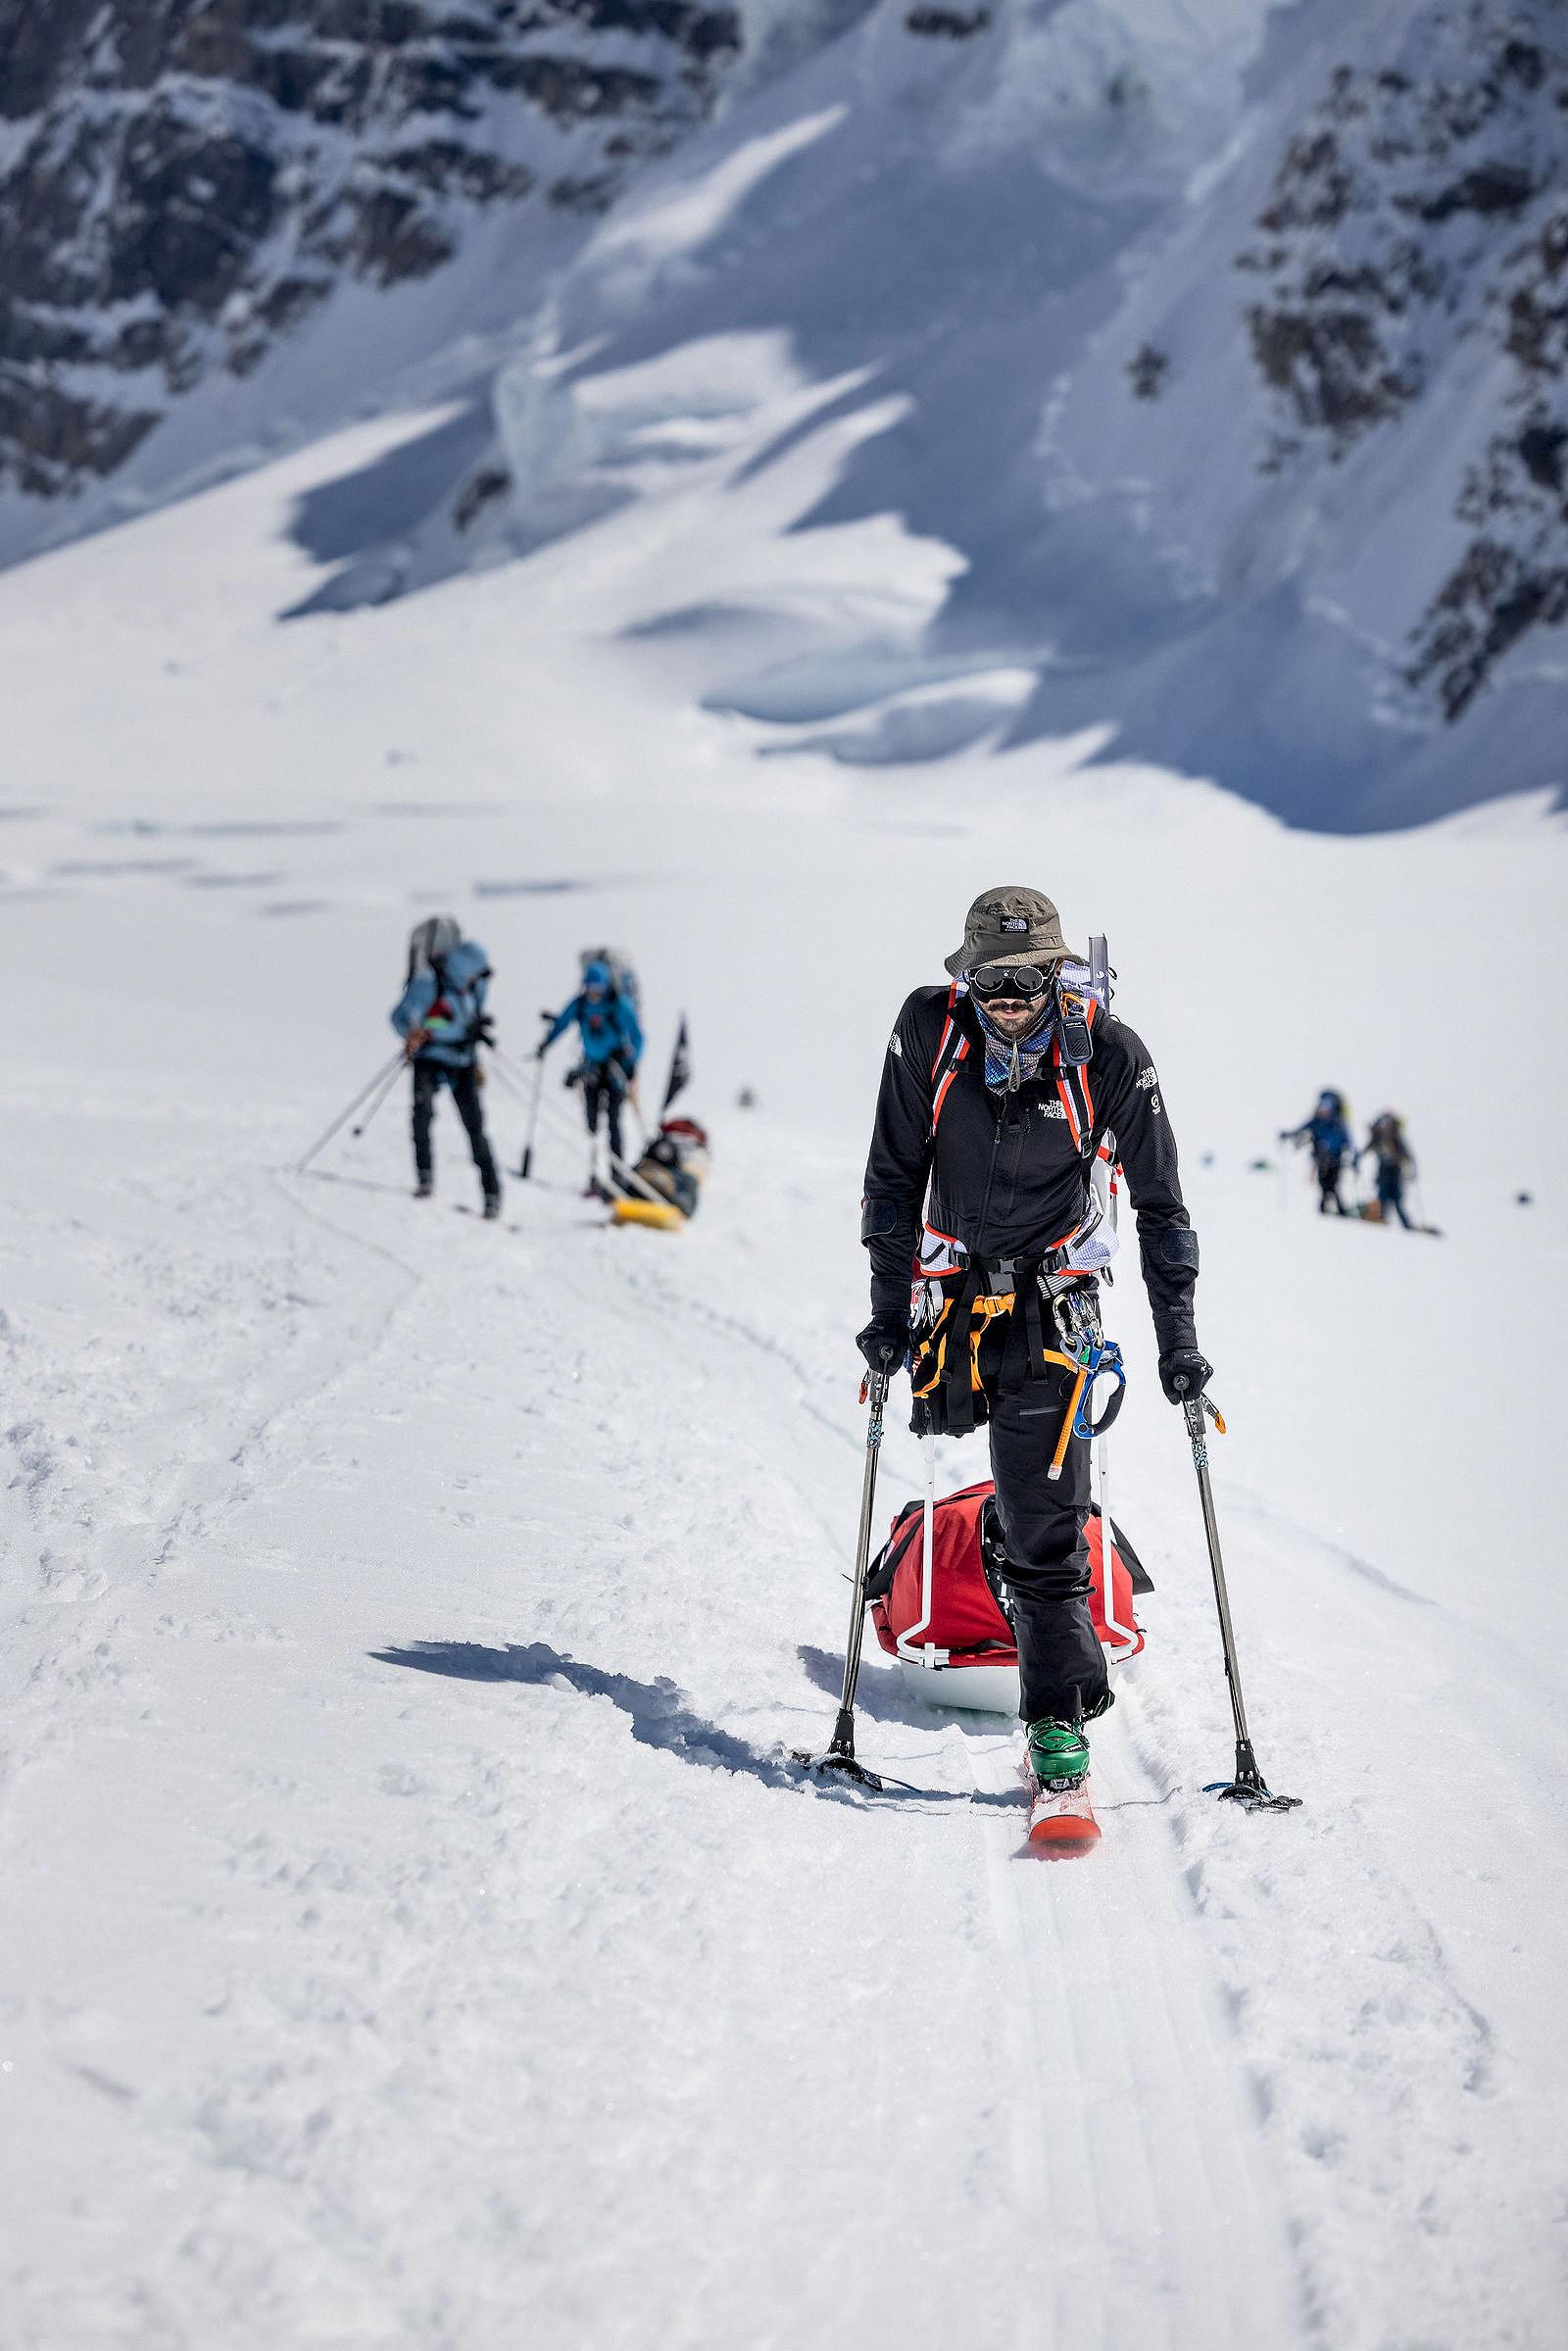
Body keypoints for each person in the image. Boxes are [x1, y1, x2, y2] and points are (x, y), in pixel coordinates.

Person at [858, 886, 1209, 1793]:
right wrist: (886, 1313)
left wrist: (1180, 1342)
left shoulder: (1110, 1056)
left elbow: (1165, 1209)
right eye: (988, 979)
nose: (1007, 999)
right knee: (1007, 1497)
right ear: (965, 977)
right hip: (953, 1297)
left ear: (1059, 972)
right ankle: (1020, 1599)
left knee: (1048, 1526)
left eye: (1025, 978)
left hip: (1055, 1303)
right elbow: (892, 1178)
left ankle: (1057, 1724)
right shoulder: (930, 1032)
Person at [390, 914, 501, 1217]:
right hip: (429, 1058)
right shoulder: (427, 984)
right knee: (422, 1116)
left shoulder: (474, 986)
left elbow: (464, 1018)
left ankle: (492, 1195)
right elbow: (398, 1017)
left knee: (475, 1128)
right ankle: (425, 1178)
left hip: (463, 1060)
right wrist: (410, 1033)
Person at [538, 955, 644, 1197]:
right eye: (590, 987)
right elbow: (562, 1022)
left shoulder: (619, 1005)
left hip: (615, 1071)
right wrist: (545, 1044)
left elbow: (637, 1035)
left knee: (614, 1122)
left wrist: (632, 1064)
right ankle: (595, 1176)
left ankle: (617, 1176)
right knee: (592, 1124)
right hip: (591, 1069)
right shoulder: (581, 1004)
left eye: (598, 988)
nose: (593, 992)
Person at [1281, 1089, 1353, 1214]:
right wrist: (1288, 1135)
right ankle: (1326, 1209)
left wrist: (1354, 1155)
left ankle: (1338, 1210)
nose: (1323, 1110)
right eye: (1322, 1106)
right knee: (1323, 1184)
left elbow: (1348, 1140)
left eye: (1326, 1107)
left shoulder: (1338, 1123)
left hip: (1335, 1159)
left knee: (1332, 1185)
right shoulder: (1316, 1121)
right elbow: (1300, 1130)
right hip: (1321, 1159)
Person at [1362, 1110, 1416, 1229]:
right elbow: (1366, 1149)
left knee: (1397, 1200)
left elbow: (1406, 1156)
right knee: (1383, 1198)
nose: (1385, 1128)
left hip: (1395, 1173)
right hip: (1383, 1172)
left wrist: (1410, 1169)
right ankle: (1382, 1220)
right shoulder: (1377, 1139)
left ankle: (1405, 1224)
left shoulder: (1397, 1140)